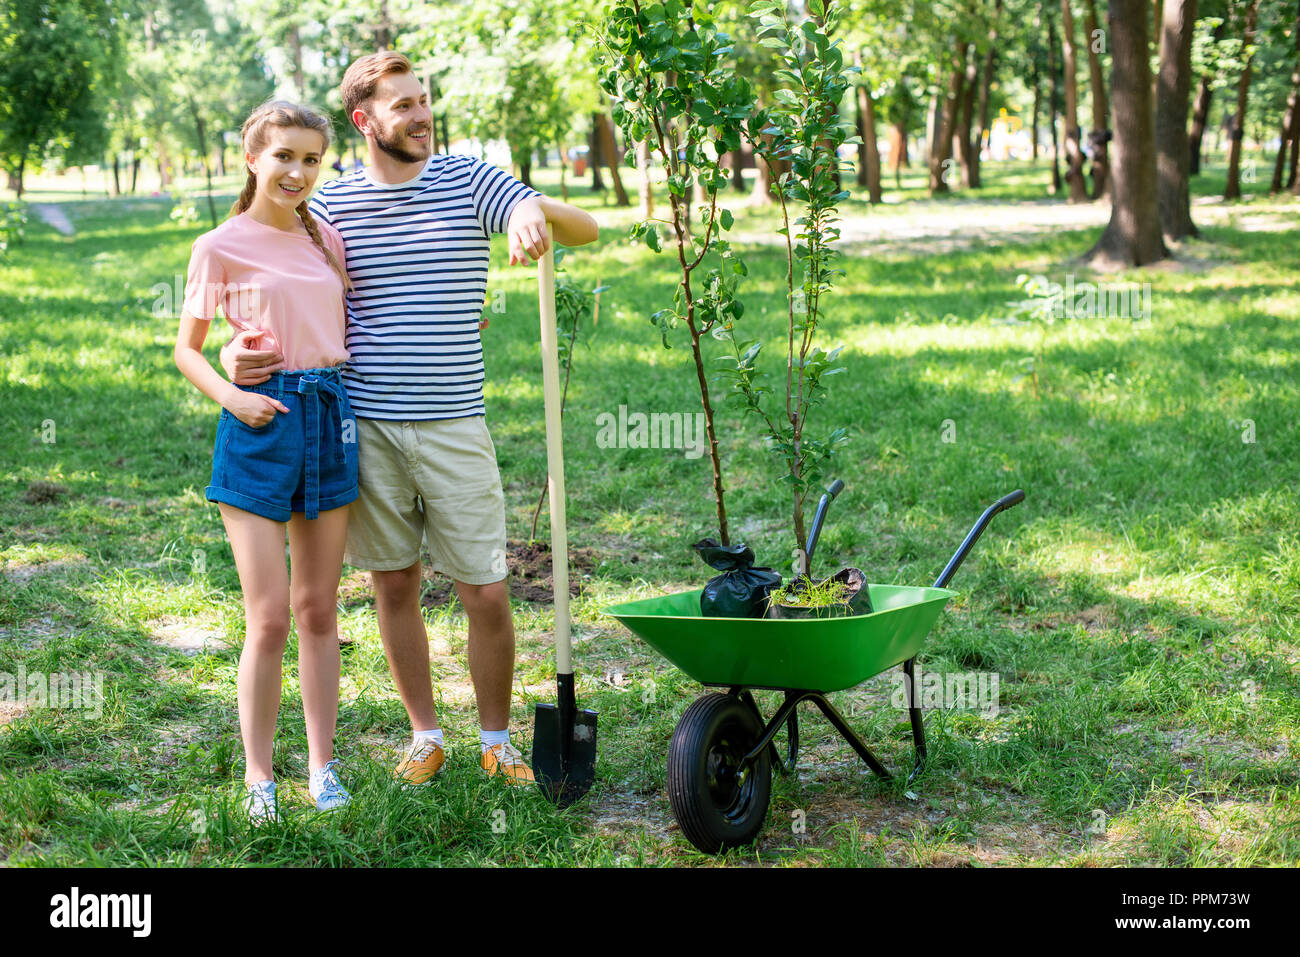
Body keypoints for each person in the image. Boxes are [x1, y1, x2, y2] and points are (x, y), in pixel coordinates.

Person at [220, 52, 598, 789]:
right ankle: (425, 733)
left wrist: (528, 208)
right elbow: (266, 279)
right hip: (366, 426)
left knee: (485, 588)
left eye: (423, 100)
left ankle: (497, 737)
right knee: (394, 585)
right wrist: (236, 349)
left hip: (456, 421)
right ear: (364, 121)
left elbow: (577, 227)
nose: (421, 115)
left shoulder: (470, 178)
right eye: (402, 105)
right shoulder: (329, 207)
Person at [175, 100, 358, 824]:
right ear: (252, 156)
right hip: (257, 424)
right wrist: (233, 389)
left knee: (319, 608)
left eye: (312, 158)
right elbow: (187, 347)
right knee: (271, 616)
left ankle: (323, 764)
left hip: (329, 417)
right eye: (284, 155)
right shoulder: (219, 244)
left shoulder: (327, 240)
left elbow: (345, 329)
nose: (298, 171)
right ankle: (258, 775)